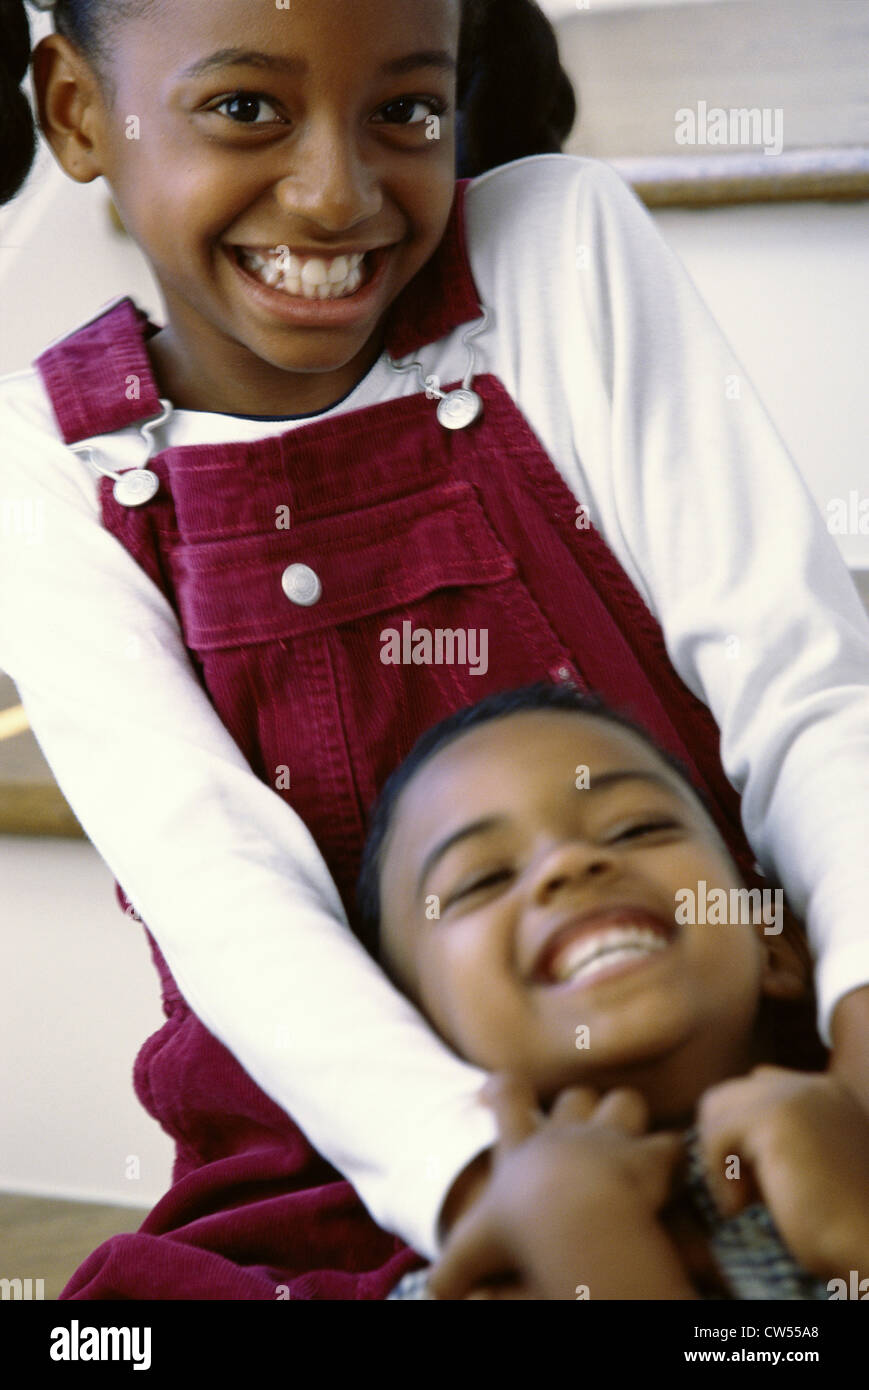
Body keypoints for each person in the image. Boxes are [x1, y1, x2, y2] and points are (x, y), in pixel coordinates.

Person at [1, 0, 869, 1300]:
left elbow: (803, 688)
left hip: (708, 1052)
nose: (336, 193)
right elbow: (225, 891)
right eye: (246, 109)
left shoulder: (559, 248)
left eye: (404, 109)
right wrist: (486, 1172)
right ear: (78, 110)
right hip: (343, 1156)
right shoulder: (51, 463)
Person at [351, 681, 869, 1300]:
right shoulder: (467, 1282)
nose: (567, 863)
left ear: (774, 942)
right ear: (416, 1034)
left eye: (636, 829)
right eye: (482, 879)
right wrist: (579, 1232)